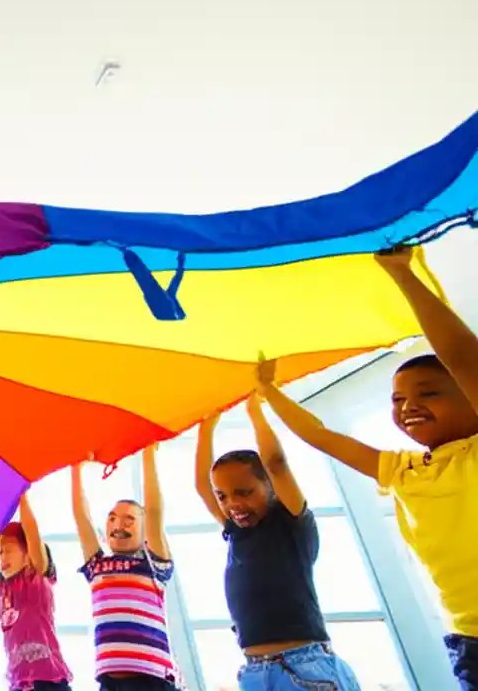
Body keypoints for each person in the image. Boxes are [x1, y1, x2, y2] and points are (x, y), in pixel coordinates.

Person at [259, 246, 478, 688]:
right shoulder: (402, 470)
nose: (408, 406)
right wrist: (268, 391)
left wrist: (403, 274)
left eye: (428, 393)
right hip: (468, 639)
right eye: (397, 399)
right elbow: (322, 436)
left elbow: (460, 355)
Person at [195, 382, 360, 690]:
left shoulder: (292, 524)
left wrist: (255, 410)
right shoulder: (235, 533)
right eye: (224, 497)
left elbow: (277, 464)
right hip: (256, 671)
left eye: (244, 492)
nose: (233, 504)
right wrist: (207, 426)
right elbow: (203, 487)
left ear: (270, 486)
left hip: (304, 665)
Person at [72, 445, 179, 691]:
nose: (118, 523)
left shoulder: (153, 564)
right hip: (109, 682)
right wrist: (76, 469)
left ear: (146, 534)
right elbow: (81, 516)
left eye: (129, 519)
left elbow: (153, 510)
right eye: (112, 518)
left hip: (152, 680)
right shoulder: (97, 565)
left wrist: (149, 453)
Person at [0, 494, 73, 691]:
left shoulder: (35, 577)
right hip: (19, 681)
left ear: (27, 556)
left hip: (47, 680)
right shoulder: (3, 587)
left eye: (8, 550)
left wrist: (21, 496)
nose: (2, 556)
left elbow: (32, 533)